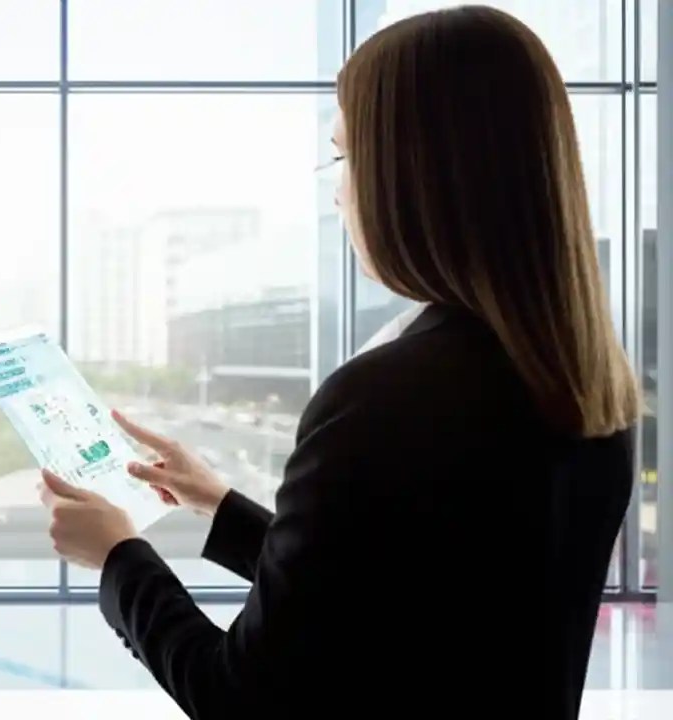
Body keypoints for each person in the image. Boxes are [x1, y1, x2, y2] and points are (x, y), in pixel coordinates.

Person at [38, 6, 638, 719]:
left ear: (415, 174)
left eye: (346, 155)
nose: (337, 187)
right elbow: (402, 595)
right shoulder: (587, 381)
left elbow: (240, 697)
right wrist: (219, 505)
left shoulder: (385, 397)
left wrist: (116, 558)